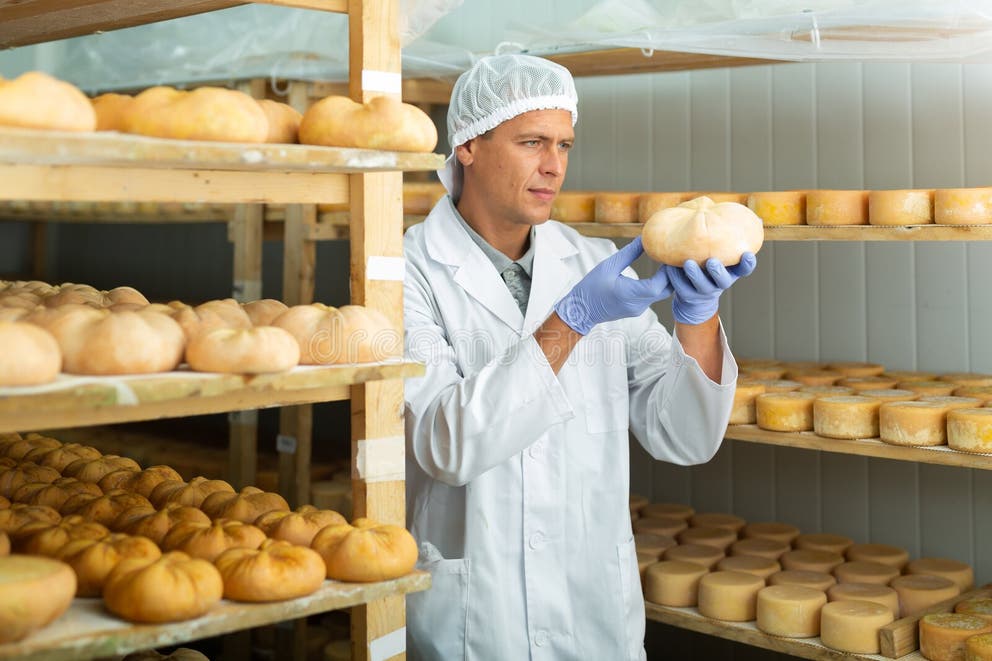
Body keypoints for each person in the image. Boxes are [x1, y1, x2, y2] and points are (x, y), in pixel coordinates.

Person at [402, 52, 756, 660]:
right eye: (532, 141)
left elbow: (685, 437)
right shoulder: (407, 269)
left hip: (591, 610)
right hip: (480, 619)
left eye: (564, 145)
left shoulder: (588, 262)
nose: (553, 167)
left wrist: (697, 320)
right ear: (468, 145)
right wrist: (572, 320)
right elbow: (446, 443)